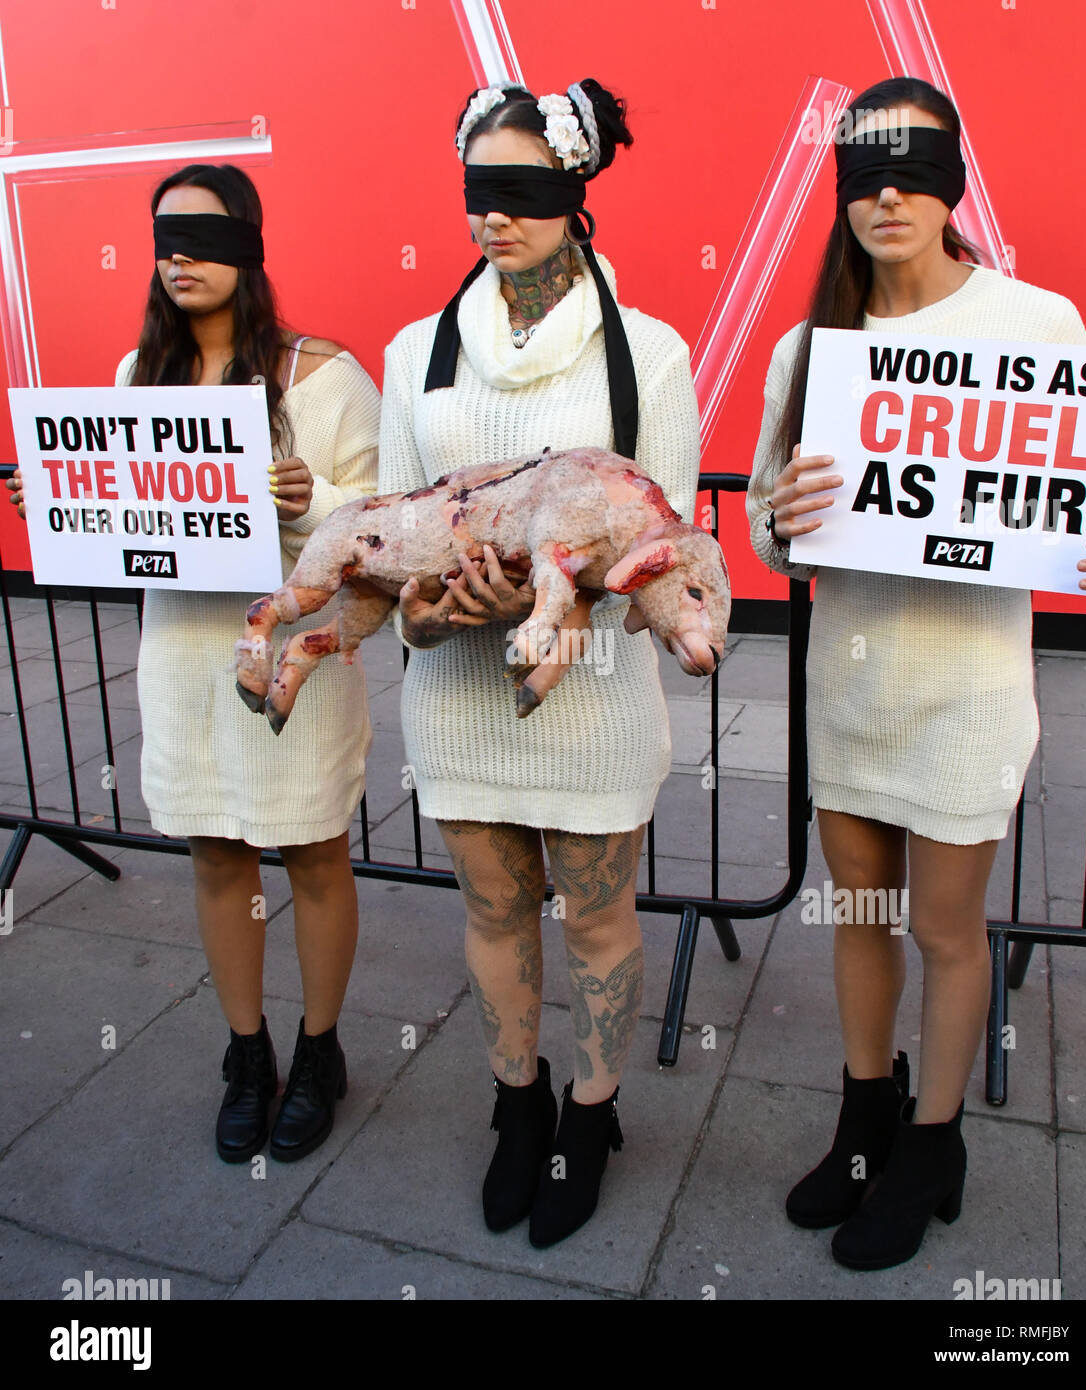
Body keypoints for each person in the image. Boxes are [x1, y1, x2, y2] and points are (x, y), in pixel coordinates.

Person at [746, 76, 1086, 1271]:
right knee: (858, 912)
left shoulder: (1038, 324)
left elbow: (1080, 497)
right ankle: (866, 1116)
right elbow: (761, 526)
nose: (889, 195)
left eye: (913, 170)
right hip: (851, 683)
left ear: (953, 182)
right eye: (865, 174)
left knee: (947, 928)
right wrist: (781, 516)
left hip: (966, 691)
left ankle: (934, 1136)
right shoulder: (813, 346)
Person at [376, 79, 703, 1246]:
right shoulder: (417, 353)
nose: (494, 218)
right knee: (495, 907)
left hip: (598, 706)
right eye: (478, 194)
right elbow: (383, 542)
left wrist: (560, 607)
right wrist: (426, 619)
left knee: (598, 922)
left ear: (577, 194)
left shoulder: (649, 357)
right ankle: (518, 1106)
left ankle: (592, 1110)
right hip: (459, 705)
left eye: (523, 193)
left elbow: (662, 557)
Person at [9, 163, 381, 1165]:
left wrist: (309, 495)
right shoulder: (139, 377)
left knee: (309, 848)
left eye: (204, 238)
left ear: (250, 250)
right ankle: (247, 1050)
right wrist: (62, 506)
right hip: (182, 652)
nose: (180, 257)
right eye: (165, 237)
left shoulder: (325, 375)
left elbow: (385, 519)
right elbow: (134, 515)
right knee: (217, 851)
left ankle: (319, 1049)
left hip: (293, 659)